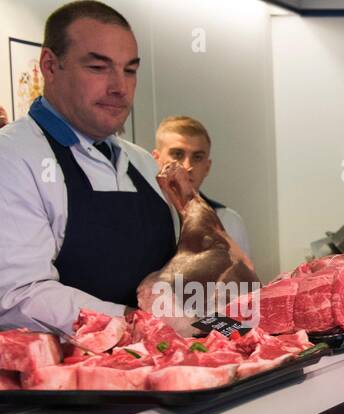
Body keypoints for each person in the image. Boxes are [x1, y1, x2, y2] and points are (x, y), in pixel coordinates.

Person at [0, 1, 176, 334]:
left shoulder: (140, 161)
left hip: (162, 370)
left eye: (129, 70)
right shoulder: (11, 158)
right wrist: (137, 323)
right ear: (50, 66)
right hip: (65, 378)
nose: (119, 87)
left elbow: (170, 266)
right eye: (98, 67)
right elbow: (18, 297)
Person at [153, 114, 252, 264]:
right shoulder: (141, 215)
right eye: (177, 155)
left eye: (197, 157)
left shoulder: (228, 220)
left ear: (207, 167)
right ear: (156, 159)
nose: (187, 166)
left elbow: (242, 282)